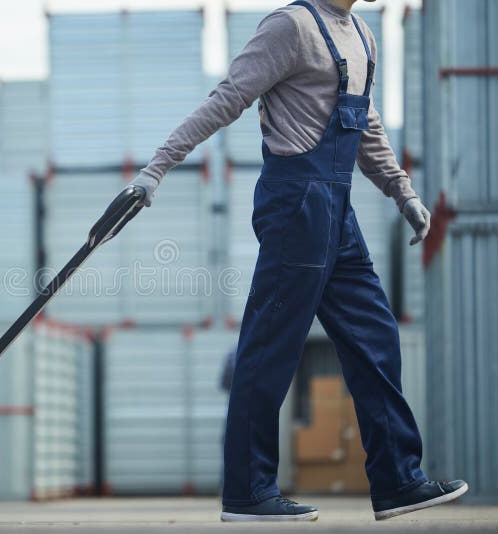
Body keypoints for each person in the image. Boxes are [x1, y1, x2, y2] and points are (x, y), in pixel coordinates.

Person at [126, 0, 467, 522]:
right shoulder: (289, 27)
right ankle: (248, 492)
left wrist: (403, 193)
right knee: (270, 349)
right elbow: (229, 97)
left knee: (375, 337)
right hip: (296, 205)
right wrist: (157, 167)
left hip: (337, 206)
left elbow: (367, 126)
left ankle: (398, 480)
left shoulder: (361, 35)